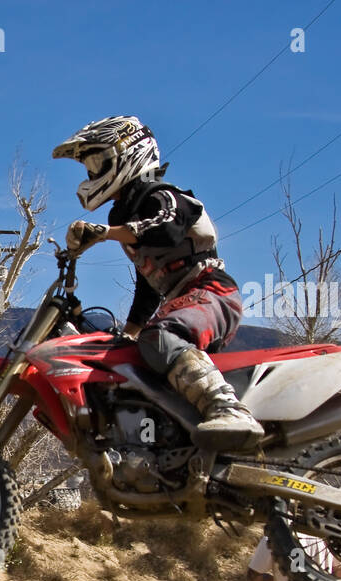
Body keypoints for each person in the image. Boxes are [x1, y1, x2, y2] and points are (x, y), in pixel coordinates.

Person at [52, 115, 263, 449]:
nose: (92, 173)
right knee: (131, 358)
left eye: (96, 161)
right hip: (181, 300)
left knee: (160, 336)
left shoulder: (162, 195)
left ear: (126, 154)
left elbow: (166, 226)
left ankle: (229, 409)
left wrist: (105, 234)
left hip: (211, 291)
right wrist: (129, 335)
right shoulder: (124, 213)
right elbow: (147, 285)